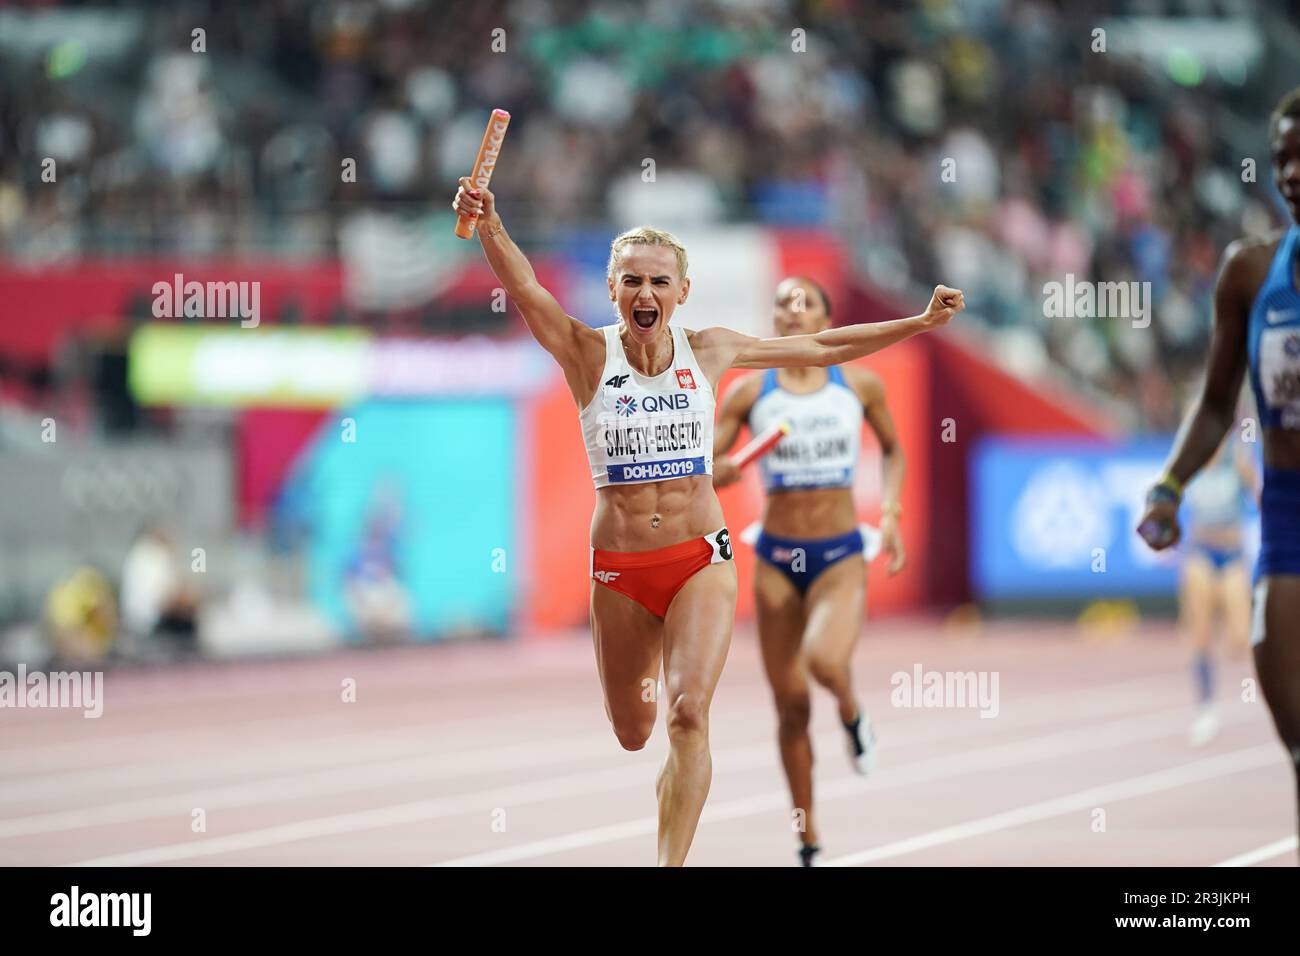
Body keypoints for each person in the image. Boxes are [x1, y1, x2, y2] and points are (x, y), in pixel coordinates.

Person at [452, 177, 964, 865]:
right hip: (622, 571)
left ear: (682, 292)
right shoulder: (586, 354)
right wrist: (488, 222)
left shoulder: (712, 349)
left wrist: (918, 322)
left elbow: (821, 350)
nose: (645, 295)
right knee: (635, 732)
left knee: (689, 715)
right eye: (631, 281)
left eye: (659, 282)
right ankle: (667, 785)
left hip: (701, 559)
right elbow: (523, 287)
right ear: (611, 290)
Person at [1138, 87, 1300, 849]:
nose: (1292, 173)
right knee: (1292, 723)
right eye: (1281, 159)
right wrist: (1169, 486)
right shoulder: (1249, 273)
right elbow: (1213, 406)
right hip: (1288, 518)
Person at [713, 277, 906, 866]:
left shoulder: (860, 383)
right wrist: (722, 469)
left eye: (806, 304)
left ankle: (852, 712)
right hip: (775, 557)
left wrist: (892, 512)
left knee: (824, 661)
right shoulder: (748, 393)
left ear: (828, 316)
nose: (792, 313)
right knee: (791, 707)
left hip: (840, 555)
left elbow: (893, 450)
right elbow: (712, 465)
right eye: (782, 306)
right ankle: (809, 839)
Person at [1178, 435, 1258, 745]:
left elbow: (1262, 497)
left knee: (1239, 641)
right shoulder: (1190, 463)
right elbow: (1165, 500)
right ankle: (1206, 707)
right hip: (1200, 553)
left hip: (1232, 555)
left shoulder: (1237, 458)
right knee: (1199, 635)